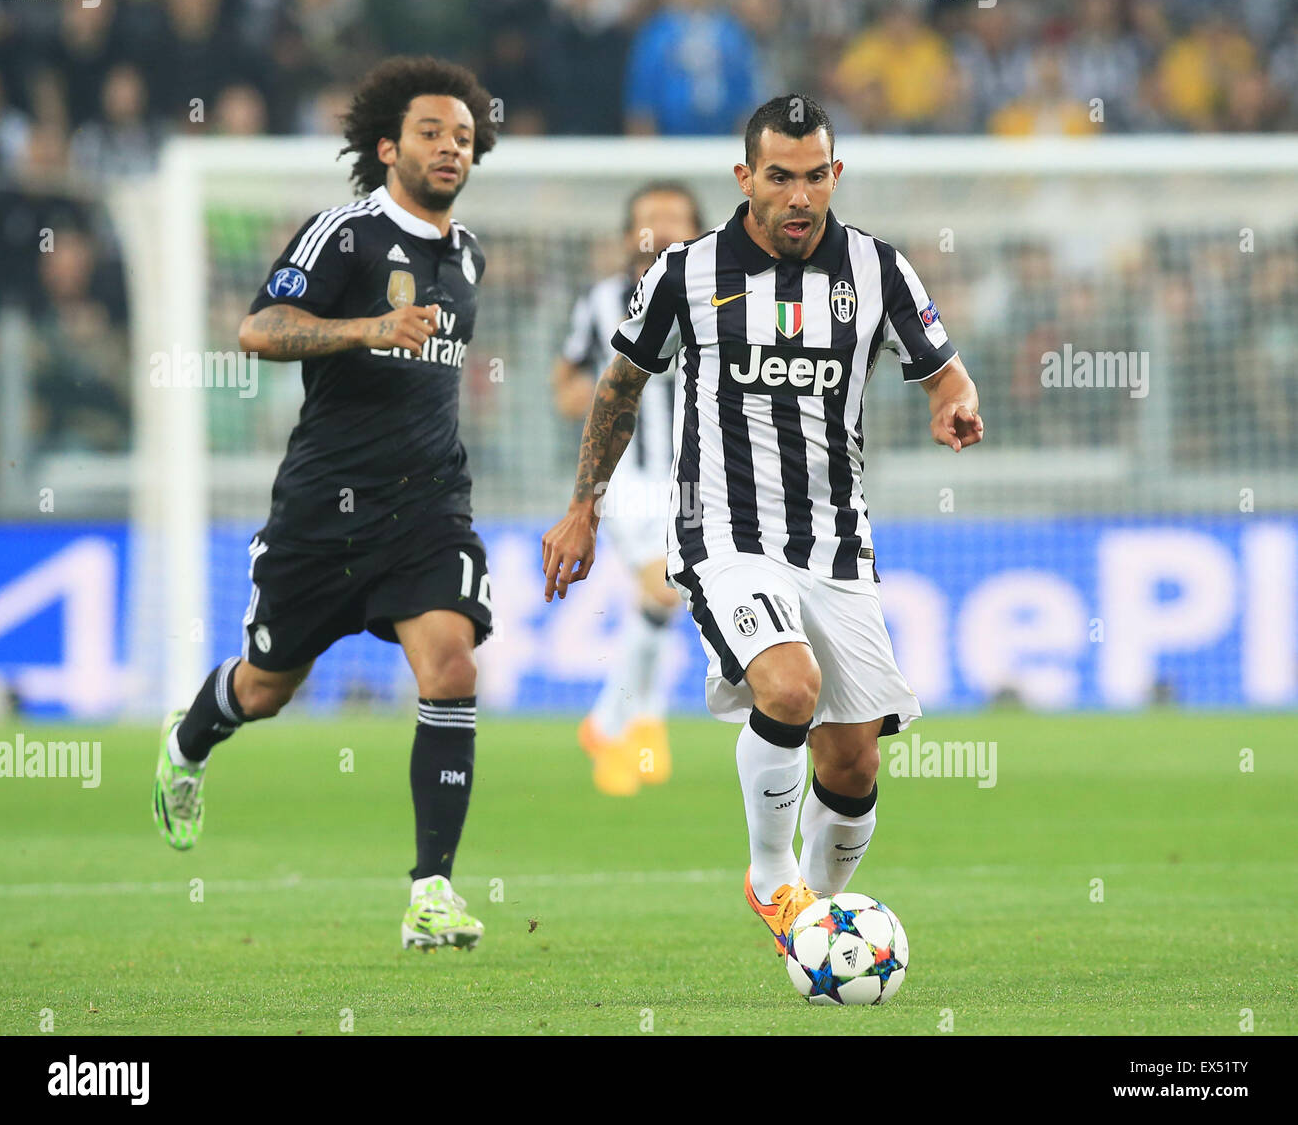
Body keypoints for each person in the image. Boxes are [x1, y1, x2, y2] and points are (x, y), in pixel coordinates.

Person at [542, 94, 983, 955]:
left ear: (835, 175)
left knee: (853, 763)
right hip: (722, 534)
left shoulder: (880, 272)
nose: (798, 197)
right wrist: (582, 507)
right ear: (745, 177)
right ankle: (771, 874)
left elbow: (948, 376)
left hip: (836, 541)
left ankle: (814, 924)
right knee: (787, 687)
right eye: (778, 177)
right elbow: (618, 387)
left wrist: (956, 407)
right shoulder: (686, 273)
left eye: (814, 177)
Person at [152, 56, 498, 953]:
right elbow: (258, 329)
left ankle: (431, 889)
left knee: (452, 666)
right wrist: (367, 328)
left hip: (427, 509)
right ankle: (189, 742)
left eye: (462, 136)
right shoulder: (343, 234)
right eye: (430, 132)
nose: (449, 148)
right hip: (321, 514)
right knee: (265, 690)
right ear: (388, 145)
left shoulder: (468, 256)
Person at [552, 182, 702, 794]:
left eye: (674, 220)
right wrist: (606, 401)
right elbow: (564, 385)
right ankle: (641, 721)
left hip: (703, 476)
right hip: (628, 477)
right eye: (649, 221)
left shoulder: (727, 298)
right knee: (665, 590)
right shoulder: (602, 301)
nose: (661, 230)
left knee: (668, 597)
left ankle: (609, 720)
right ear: (627, 236)